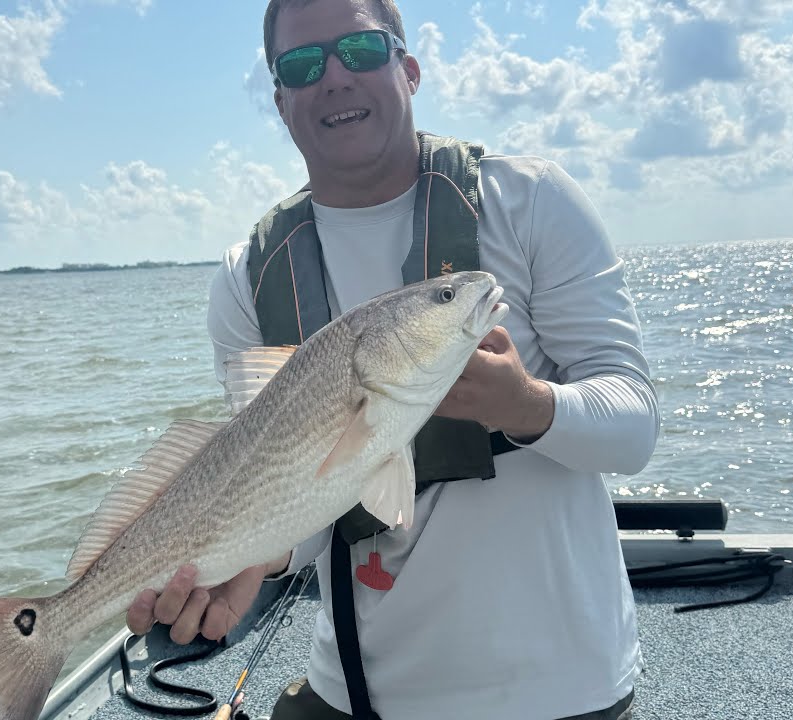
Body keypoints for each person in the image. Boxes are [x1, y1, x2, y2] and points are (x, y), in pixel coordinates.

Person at [126, 1, 660, 718]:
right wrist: (260, 556)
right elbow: (300, 490)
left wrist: (527, 406)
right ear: (280, 102)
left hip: (561, 688)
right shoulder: (248, 275)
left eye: (363, 50)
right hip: (357, 693)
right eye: (303, 64)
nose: (336, 77)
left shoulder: (528, 201)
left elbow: (635, 427)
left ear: (408, 68)